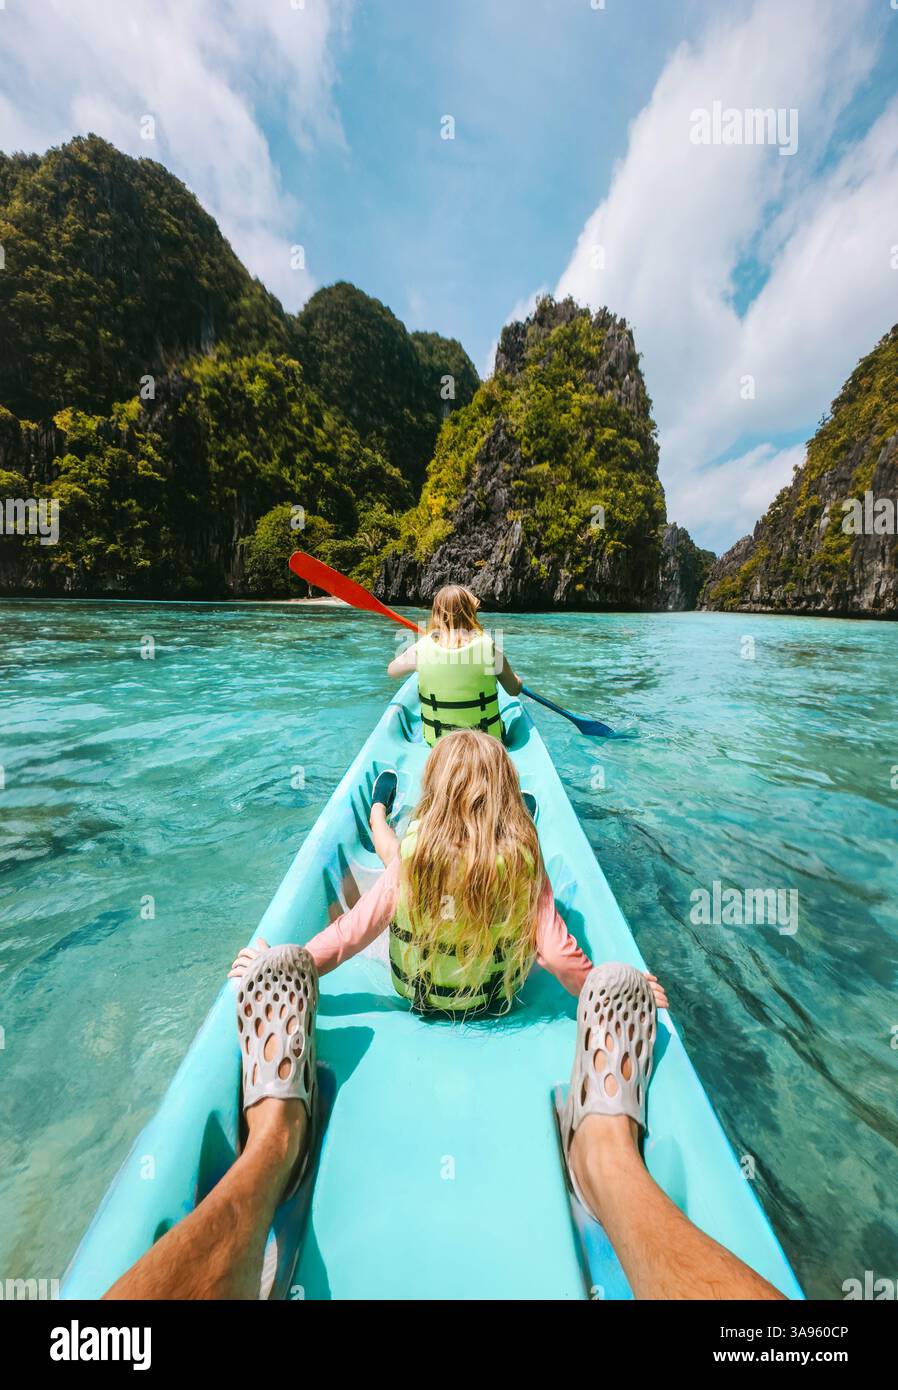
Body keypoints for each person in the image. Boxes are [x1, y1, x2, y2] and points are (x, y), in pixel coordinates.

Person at [104, 951, 784, 1302]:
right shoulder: (521, 866)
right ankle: (605, 1155)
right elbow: (556, 949)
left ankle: (276, 1142)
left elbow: (355, 927)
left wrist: (301, 955)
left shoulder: (409, 865)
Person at [240, 729, 640, 1018]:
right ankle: (516, 820)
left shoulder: (416, 857)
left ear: (436, 792)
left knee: (391, 859)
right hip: (495, 999)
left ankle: (379, 811)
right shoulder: (525, 860)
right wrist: (605, 992)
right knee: (541, 908)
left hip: (418, 996)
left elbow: (351, 934)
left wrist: (287, 968)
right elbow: (555, 953)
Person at [387, 584, 522, 746]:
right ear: (470, 612)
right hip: (487, 743)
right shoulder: (489, 648)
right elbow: (514, 690)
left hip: (438, 744)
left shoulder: (420, 650)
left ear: (436, 614)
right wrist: (517, 679)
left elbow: (392, 671)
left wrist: (425, 643)